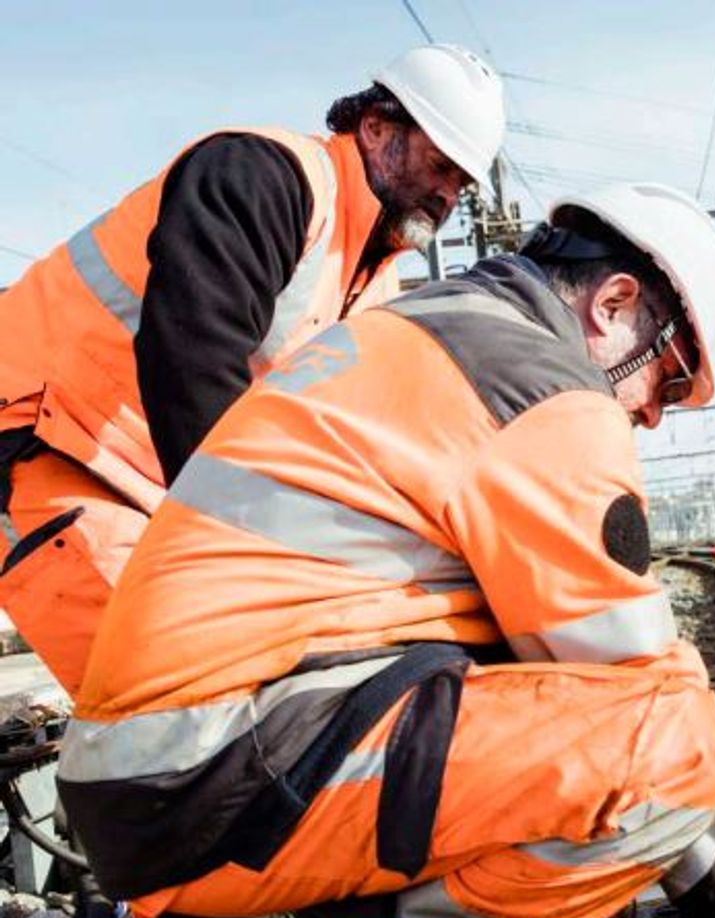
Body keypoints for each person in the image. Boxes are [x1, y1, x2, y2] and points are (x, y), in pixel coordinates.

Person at [56, 183, 715, 918]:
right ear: (614, 305)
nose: (650, 413)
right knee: (668, 741)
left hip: (169, 773)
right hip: (213, 778)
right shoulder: (539, 387)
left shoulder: (408, 330)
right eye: (669, 381)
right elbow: (640, 676)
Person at [0, 44, 506, 695]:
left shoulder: (371, 281)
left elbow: (354, 447)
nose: (446, 194)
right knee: (172, 696)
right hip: (39, 437)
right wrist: (260, 560)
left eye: (461, 185)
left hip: (141, 484)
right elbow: (192, 362)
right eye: (440, 165)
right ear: (377, 128)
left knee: (273, 682)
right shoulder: (264, 178)